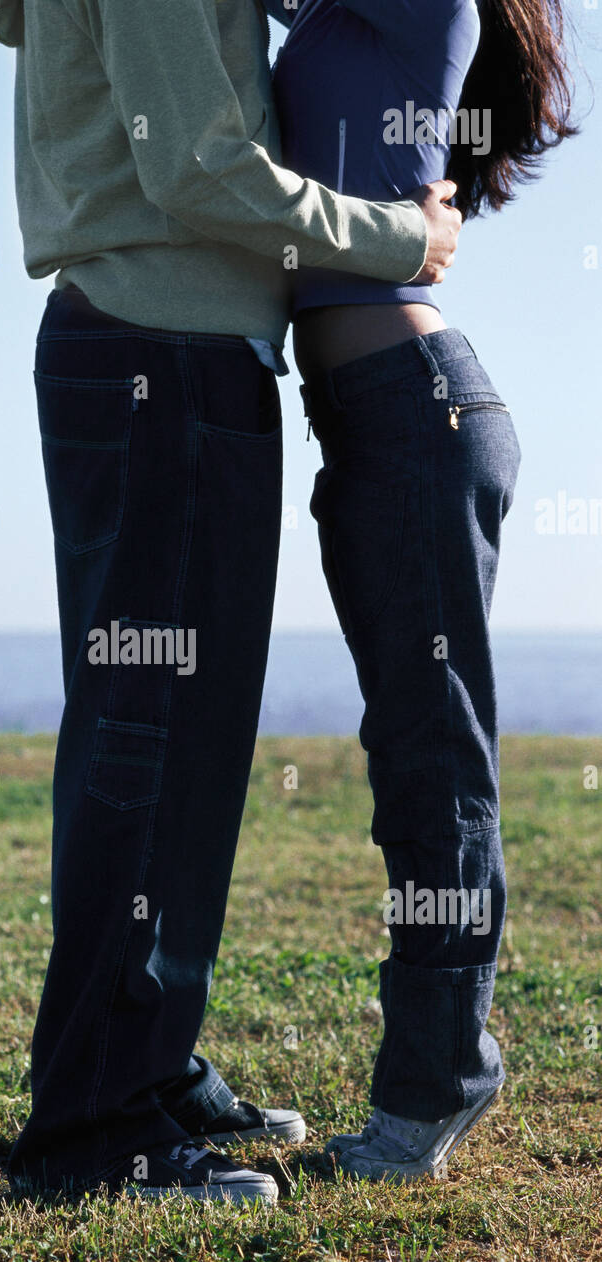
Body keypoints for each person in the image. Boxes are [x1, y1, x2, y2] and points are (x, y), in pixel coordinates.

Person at [0, 0, 461, 1204]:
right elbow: (199, 167)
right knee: (149, 744)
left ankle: (143, 1064)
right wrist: (398, 239)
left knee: (179, 750)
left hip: (166, 350)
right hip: (162, 352)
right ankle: (96, 1125)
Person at [266, 0, 576, 1180]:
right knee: (413, 756)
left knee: (432, 760)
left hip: (416, 408)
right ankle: (438, 1068)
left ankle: (438, 1083)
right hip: (372, 418)